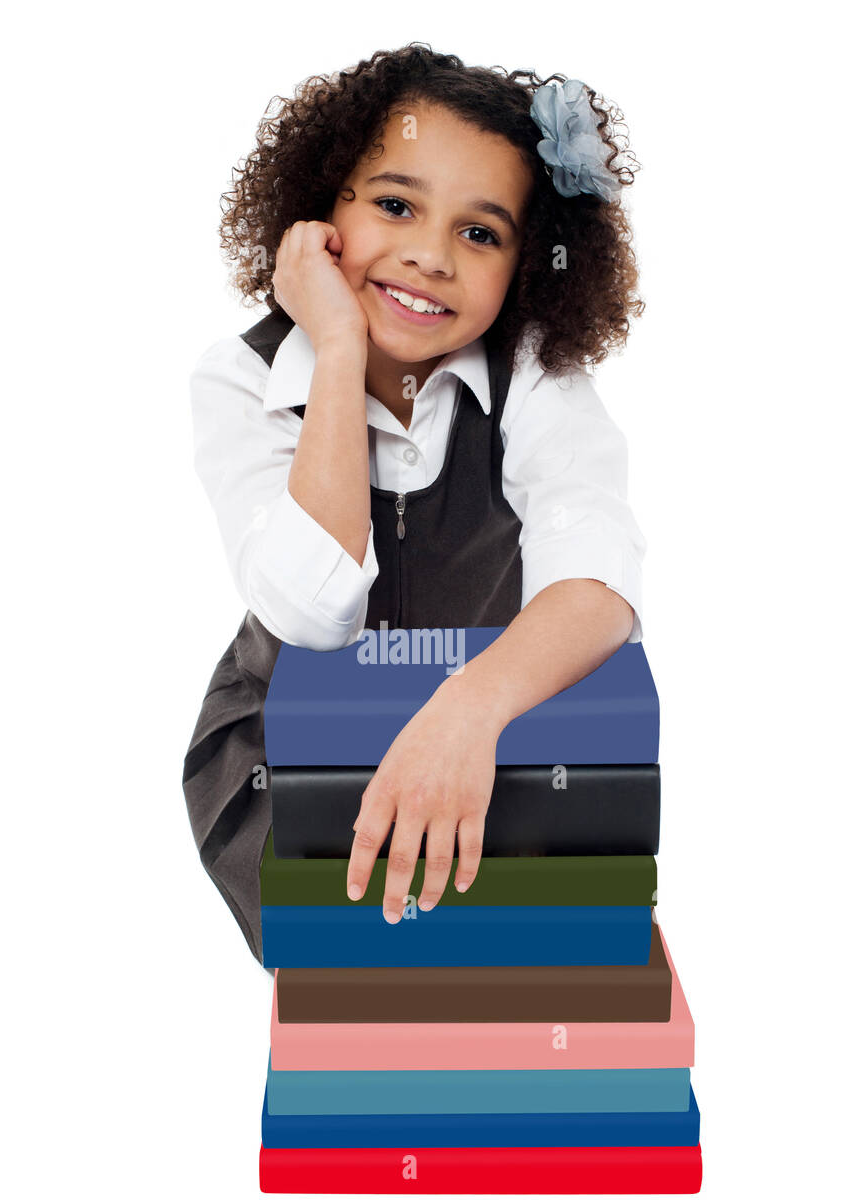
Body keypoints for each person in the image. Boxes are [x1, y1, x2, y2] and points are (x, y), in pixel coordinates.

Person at [183, 43, 647, 966]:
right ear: (322, 211)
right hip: (291, 754)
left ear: (526, 264)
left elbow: (600, 585)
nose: (430, 256)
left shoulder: (533, 381)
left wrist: (467, 711)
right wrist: (340, 348)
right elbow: (312, 612)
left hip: (499, 740)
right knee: (363, 1004)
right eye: (395, 205)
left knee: (505, 995)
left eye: (480, 234)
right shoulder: (245, 378)